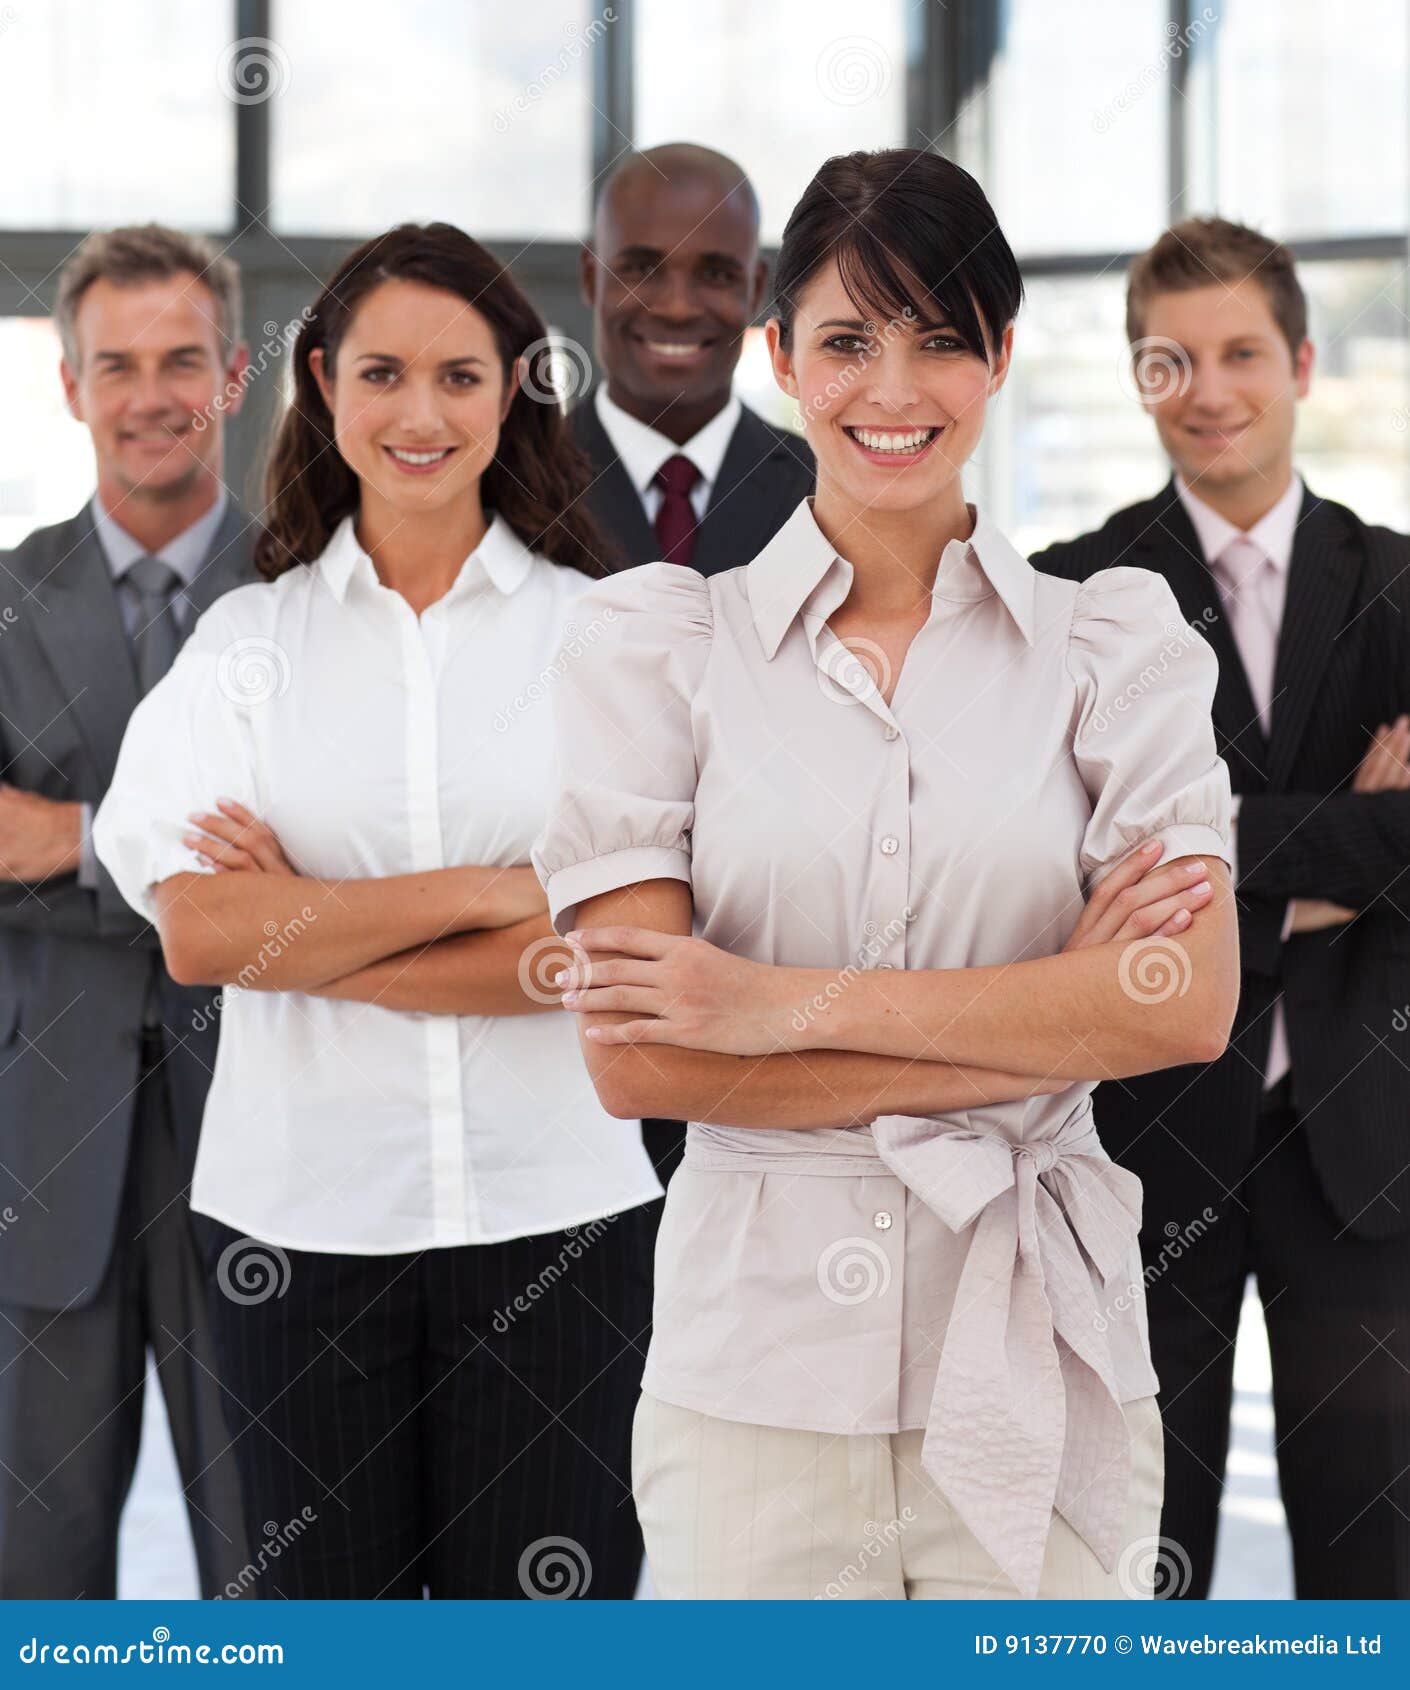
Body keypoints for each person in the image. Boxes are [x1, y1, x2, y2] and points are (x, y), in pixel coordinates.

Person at [534, 148, 1240, 1600]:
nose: (891, 387)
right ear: (781, 354)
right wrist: (1050, 1011)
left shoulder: (1113, 645)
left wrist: (763, 1002)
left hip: (1047, 1359)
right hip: (752, 1381)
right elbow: (638, 1061)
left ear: (995, 356)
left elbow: (1180, 1005)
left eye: (936, 337)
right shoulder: (655, 645)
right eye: (848, 340)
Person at [93, 222, 662, 1599]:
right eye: (384, 373)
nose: (420, 413)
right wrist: (484, 893)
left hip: (561, 1224)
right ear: (322, 386)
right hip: (298, 1242)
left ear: (515, 389)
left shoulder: (607, 637)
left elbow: (587, 957)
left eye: (460, 376)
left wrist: (310, 921)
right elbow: (203, 933)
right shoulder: (245, 648)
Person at [1030, 216, 1410, 1600]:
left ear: (1300, 361)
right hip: (1144, 1147)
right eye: (1166, 359)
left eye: (1238, 351)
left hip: (1363, 1149)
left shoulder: (1396, 585)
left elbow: (1160, 862)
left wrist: (1196, 865)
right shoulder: (1072, 594)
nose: (1206, 387)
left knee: (1376, 1558)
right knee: (1138, 1553)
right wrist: (1330, 872)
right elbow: (1072, 863)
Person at [573, 139, 817, 1596]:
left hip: (768, 1078)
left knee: (752, 1526)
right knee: (565, 1512)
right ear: (590, 282)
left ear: (760, 296)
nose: (677, 300)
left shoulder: (833, 485)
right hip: (545, 1088)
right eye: (643, 268)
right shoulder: (495, 474)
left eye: (714, 272)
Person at [0, 224, 256, 1598]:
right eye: (117, 365)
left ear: (230, 372)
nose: (149, 394)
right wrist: (179, 872)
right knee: (29, 1573)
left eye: (179, 361)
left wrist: (66, 843)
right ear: (69, 383)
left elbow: (313, 876)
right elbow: (231, 880)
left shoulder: (313, 589)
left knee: (272, 1562)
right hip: (42, 1145)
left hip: (270, 1140)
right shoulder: (5, 596)